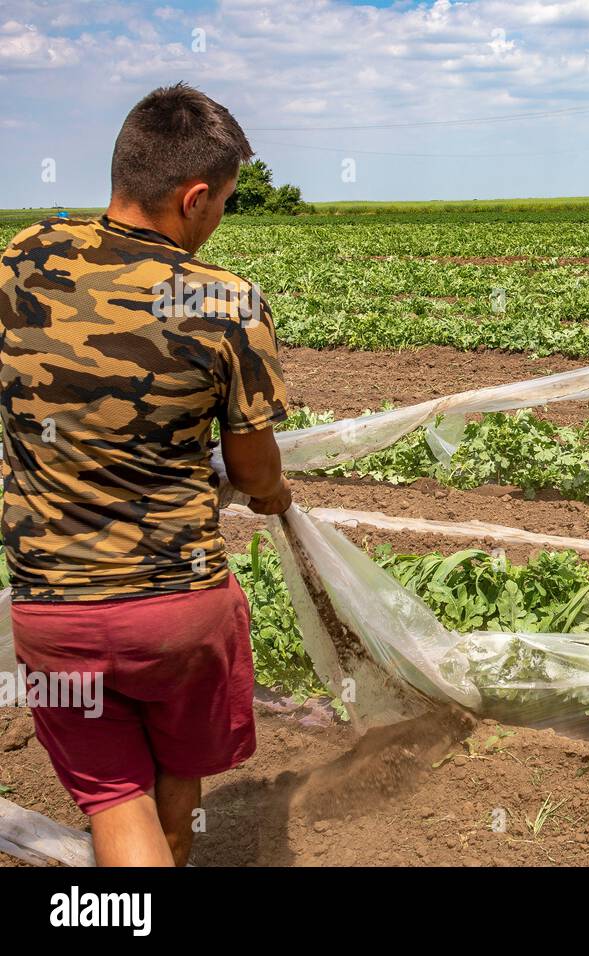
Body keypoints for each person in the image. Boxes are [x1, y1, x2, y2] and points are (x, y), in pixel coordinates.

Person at [0, 83, 291, 866]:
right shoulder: (229, 303)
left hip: (56, 611)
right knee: (175, 778)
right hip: (179, 615)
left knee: (114, 800)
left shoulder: (21, 258)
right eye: (223, 201)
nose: (220, 216)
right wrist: (274, 494)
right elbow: (253, 466)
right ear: (194, 197)